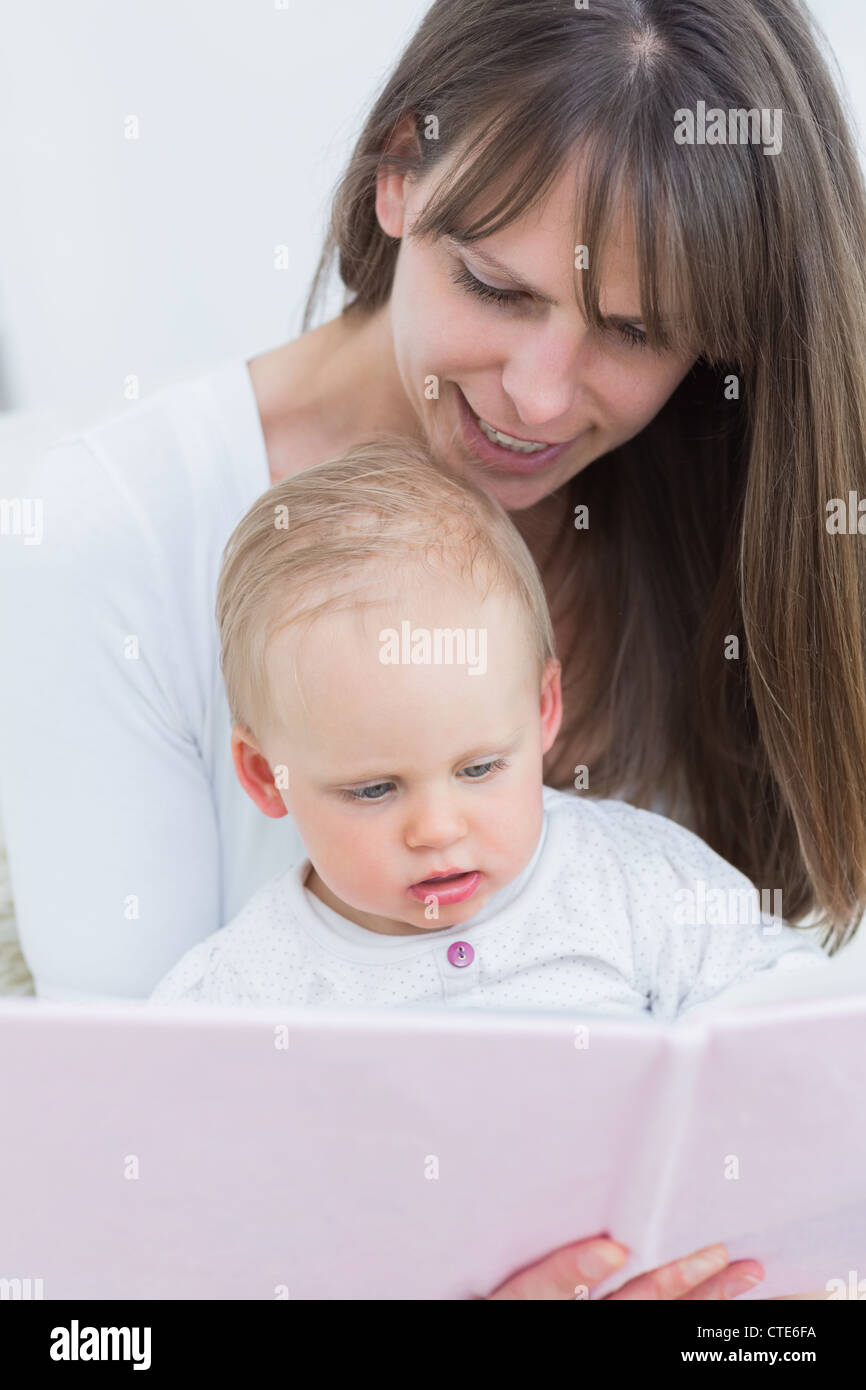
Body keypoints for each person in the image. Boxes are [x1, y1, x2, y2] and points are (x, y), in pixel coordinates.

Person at [0, 0, 861, 1297]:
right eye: (495, 288)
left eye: (632, 332)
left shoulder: (727, 493)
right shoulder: (106, 541)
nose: (537, 395)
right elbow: (141, 1212)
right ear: (399, 170)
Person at [150, 443, 827, 1010]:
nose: (438, 830)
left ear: (541, 710)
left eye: (478, 770)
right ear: (267, 775)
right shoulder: (236, 994)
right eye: (373, 790)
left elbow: (795, 1021)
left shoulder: (636, 884)